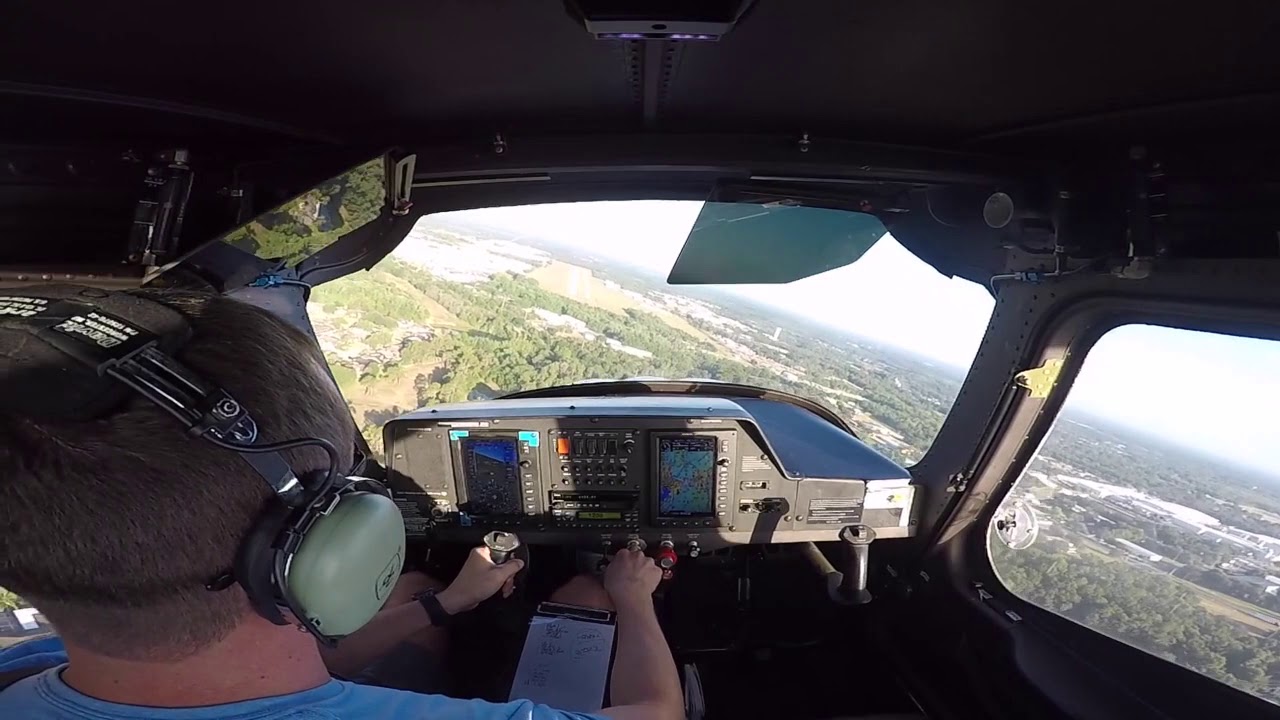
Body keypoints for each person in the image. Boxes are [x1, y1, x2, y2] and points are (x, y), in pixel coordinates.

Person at [0, 288, 685, 720]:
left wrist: (448, 602)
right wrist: (632, 597)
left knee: (421, 586)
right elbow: (657, 710)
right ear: (322, 551)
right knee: (582, 597)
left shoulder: (18, 666)